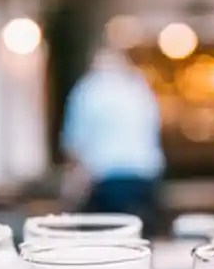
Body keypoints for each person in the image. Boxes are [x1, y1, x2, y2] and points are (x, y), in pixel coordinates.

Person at [60, 48, 164, 225]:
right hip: (144, 177)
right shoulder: (139, 88)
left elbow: (74, 143)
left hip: (107, 180)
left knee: (110, 242)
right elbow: (155, 129)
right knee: (142, 239)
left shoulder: (88, 91)